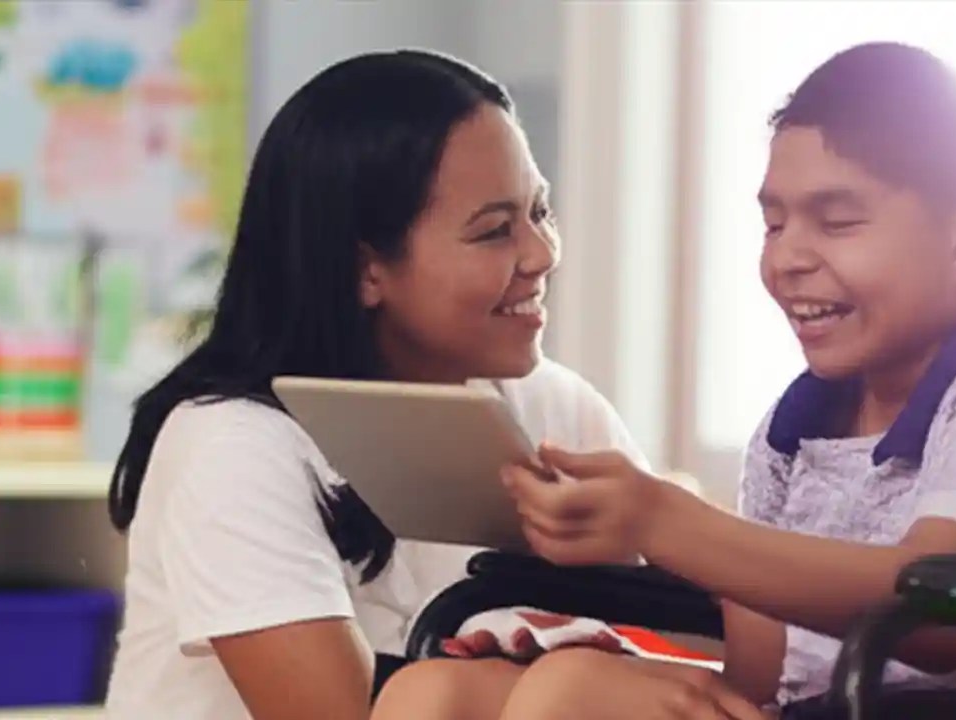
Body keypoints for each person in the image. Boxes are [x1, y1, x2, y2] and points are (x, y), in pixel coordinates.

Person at [375, 42, 956, 720]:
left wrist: (666, 524)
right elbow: (761, 678)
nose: (786, 259)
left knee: (570, 695)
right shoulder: (792, 432)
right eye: (773, 225)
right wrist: (613, 649)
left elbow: (942, 612)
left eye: (836, 221)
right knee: (435, 691)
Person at [102, 50, 647, 720]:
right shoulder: (233, 441)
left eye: (541, 211)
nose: (541, 254)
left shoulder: (555, 408)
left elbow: (676, 640)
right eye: (495, 231)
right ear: (366, 270)